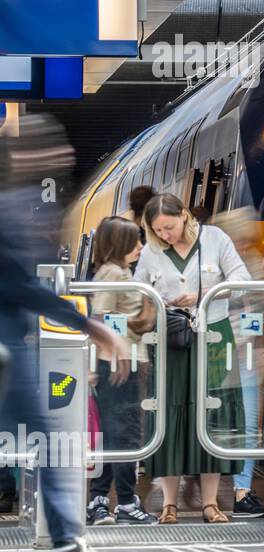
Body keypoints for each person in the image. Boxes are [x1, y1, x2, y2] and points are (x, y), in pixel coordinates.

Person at [0, 119, 129, 552]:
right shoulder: (15, 207)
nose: (63, 160)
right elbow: (15, 283)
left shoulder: (20, 205)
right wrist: (88, 324)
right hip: (5, 352)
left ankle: (68, 551)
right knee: (52, 447)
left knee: (50, 446)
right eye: (54, 151)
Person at [135, 194, 250, 524]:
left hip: (213, 337)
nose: (165, 236)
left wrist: (203, 296)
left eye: (169, 227)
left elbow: (242, 279)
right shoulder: (150, 251)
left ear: (184, 216)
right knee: (171, 416)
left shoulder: (215, 239)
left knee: (213, 413)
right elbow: (136, 291)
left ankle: (210, 502)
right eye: (157, 231)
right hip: (170, 340)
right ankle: (169, 502)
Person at [85, 216, 158, 526]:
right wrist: (121, 352)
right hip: (116, 366)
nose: (140, 246)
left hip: (116, 361)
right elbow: (101, 318)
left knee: (113, 435)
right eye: (135, 241)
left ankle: (99, 501)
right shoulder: (113, 274)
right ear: (119, 244)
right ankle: (126, 503)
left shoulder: (117, 271)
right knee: (126, 435)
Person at [211, 208, 264, 518]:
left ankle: (242, 490)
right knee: (214, 423)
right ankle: (204, 489)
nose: (245, 245)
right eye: (239, 239)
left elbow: (263, 310)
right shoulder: (212, 267)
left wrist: (260, 355)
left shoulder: (254, 264)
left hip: (246, 357)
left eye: (248, 239)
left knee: (247, 426)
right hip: (218, 355)